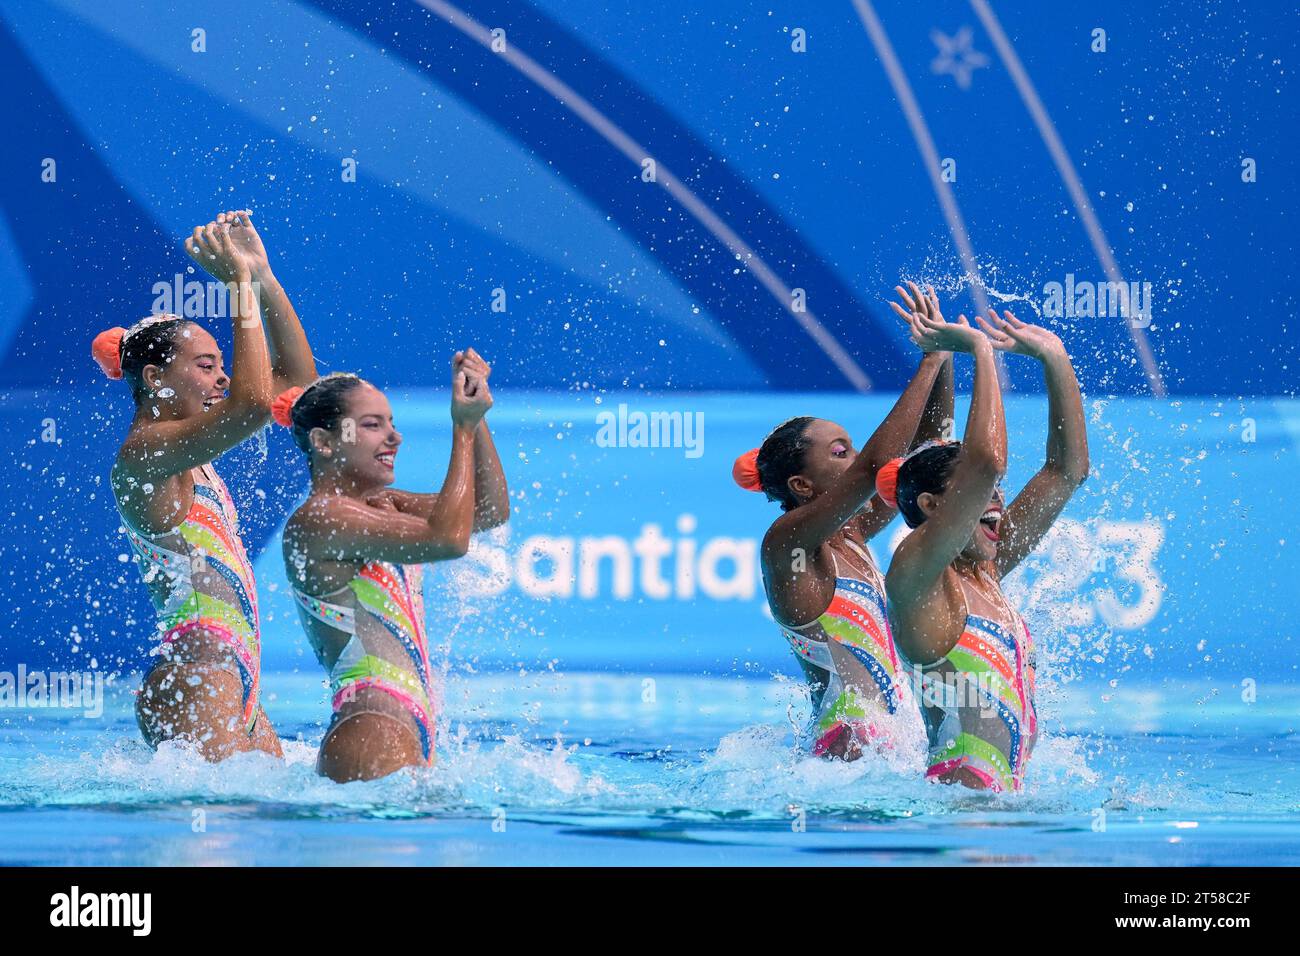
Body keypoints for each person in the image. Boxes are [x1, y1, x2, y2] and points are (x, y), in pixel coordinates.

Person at [93, 210, 317, 759]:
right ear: (154, 379)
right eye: (205, 363)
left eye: (222, 363)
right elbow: (247, 404)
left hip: (234, 684)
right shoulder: (142, 454)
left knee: (253, 830)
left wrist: (262, 279)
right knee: (216, 833)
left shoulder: (191, 452)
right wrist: (237, 286)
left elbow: (297, 388)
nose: (223, 375)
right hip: (198, 675)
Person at [733, 284, 953, 759]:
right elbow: (876, 468)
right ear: (802, 486)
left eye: (850, 449)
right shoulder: (786, 544)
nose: (853, 459)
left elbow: (927, 457)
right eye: (839, 453)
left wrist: (946, 356)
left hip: (880, 748)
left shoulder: (851, 534)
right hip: (845, 747)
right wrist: (929, 361)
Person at [881, 306, 1088, 791]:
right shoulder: (917, 574)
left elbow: (1067, 471)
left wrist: (1054, 359)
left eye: (995, 495)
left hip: (995, 812)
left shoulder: (986, 572)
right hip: (962, 819)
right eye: (981, 496)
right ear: (932, 506)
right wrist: (979, 348)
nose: (997, 501)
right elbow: (987, 462)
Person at [277, 350, 509, 781]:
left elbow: (489, 512)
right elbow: (449, 540)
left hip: (401, 723)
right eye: (372, 425)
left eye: (391, 423)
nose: (394, 437)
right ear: (324, 442)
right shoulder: (319, 519)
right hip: (370, 726)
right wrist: (460, 427)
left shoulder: (385, 505)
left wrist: (475, 420)